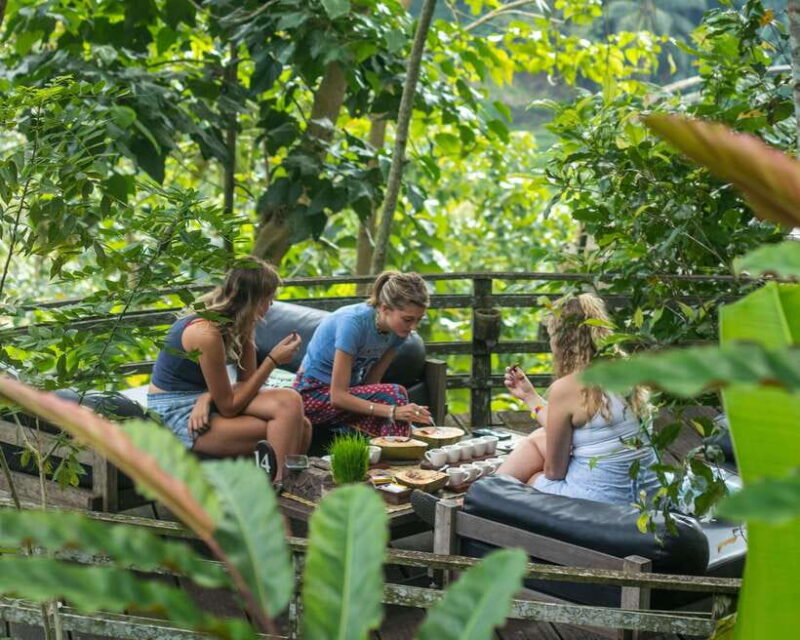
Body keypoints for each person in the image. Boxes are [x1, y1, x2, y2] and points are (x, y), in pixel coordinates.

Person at [147, 257, 311, 480]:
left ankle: (282, 489)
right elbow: (229, 407)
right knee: (294, 425)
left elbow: (246, 382)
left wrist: (207, 397)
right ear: (252, 300)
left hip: (201, 398)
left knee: (296, 412)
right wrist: (272, 361)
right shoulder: (206, 332)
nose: (271, 306)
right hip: (175, 411)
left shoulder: (239, 321)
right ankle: (277, 491)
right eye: (268, 299)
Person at [497, 293, 659, 505]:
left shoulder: (567, 387)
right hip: (650, 493)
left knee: (533, 478)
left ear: (562, 341)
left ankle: (486, 495)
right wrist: (530, 397)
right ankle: (488, 490)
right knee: (538, 438)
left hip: (605, 502)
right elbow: (580, 431)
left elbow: (554, 472)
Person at [294, 270, 433, 438]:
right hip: (311, 396)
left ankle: (397, 450)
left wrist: (396, 413)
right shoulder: (352, 323)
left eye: (419, 319)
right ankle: (399, 451)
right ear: (384, 308)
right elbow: (337, 397)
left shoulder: (398, 333)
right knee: (395, 394)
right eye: (408, 319)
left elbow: (371, 383)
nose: (413, 327)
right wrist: (392, 411)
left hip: (349, 395)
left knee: (402, 415)